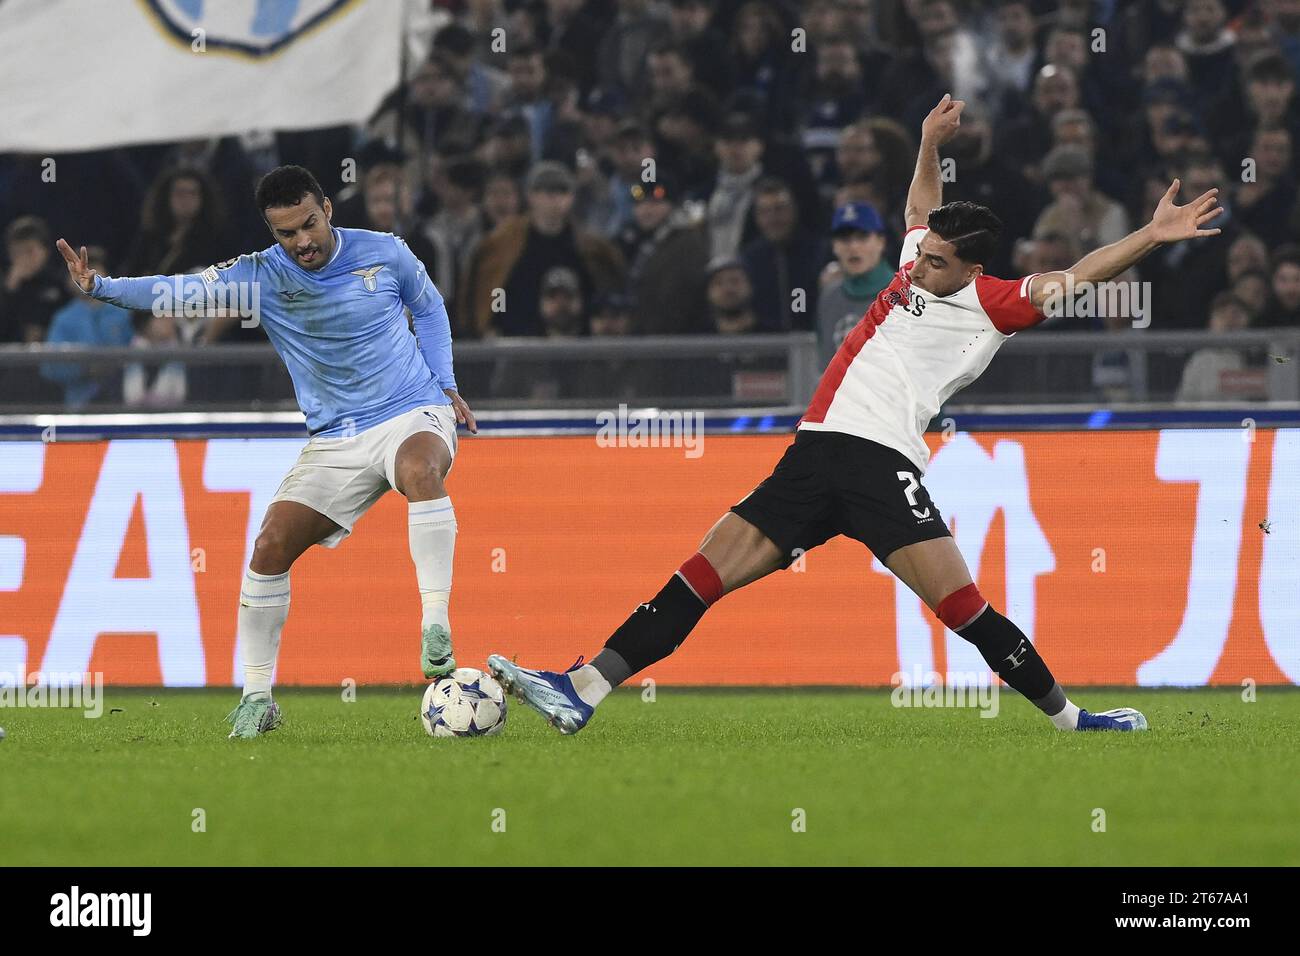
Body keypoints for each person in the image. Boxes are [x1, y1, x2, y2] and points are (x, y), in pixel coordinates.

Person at [487, 94, 1225, 736]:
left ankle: (1073, 720)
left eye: (936, 261)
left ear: (971, 270)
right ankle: (582, 690)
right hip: (814, 454)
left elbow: (1079, 272)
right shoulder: (916, 253)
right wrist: (930, 143)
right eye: (923, 253)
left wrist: (1151, 237)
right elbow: (916, 209)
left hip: (882, 463)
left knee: (964, 609)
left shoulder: (994, 304)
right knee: (701, 573)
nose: (919, 265)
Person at [57, 165, 477, 738]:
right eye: (286, 233)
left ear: (327, 208)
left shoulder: (387, 253)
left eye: (308, 224)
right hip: (335, 439)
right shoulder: (257, 278)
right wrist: (100, 288)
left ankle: (435, 625)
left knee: (419, 470)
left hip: (411, 409)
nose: (302, 242)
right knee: (269, 544)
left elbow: (428, 309)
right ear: (270, 231)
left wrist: (446, 383)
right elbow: (177, 293)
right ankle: (257, 697)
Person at [816, 201, 893, 368]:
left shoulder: (903, 295)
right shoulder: (829, 297)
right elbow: (825, 366)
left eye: (862, 237)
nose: (853, 247)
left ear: (881, 242)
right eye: (844, 239)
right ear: (834, 246)